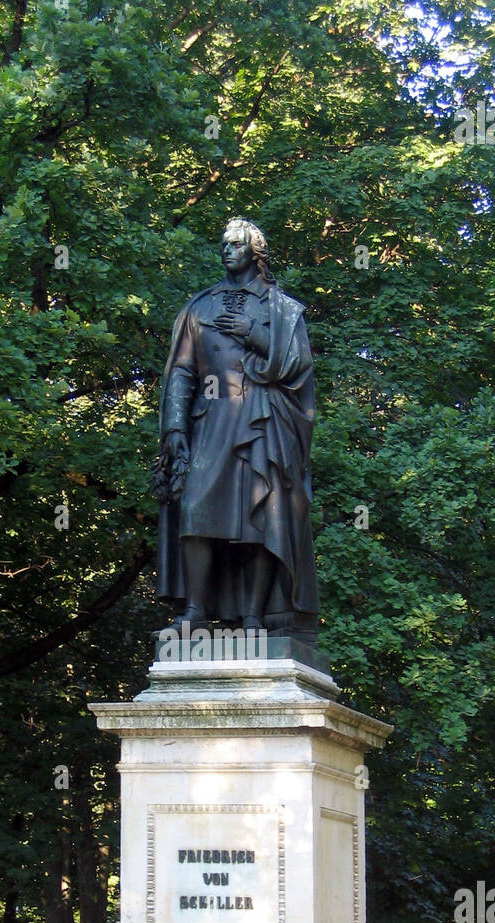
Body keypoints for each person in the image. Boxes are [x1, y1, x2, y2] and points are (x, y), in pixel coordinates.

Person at [154, 218, 319, 636]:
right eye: (223, 244)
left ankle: (251, 616)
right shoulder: (200, 306)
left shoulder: (281, 309)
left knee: (260, 514)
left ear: (255, 252)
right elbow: (182, 372)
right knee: (195, 509)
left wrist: (255, 336)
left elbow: (299, 367)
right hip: (210, 421)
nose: (226, 251)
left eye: (235, 245)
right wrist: (174, 426)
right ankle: (194, 611)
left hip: (262, 418)